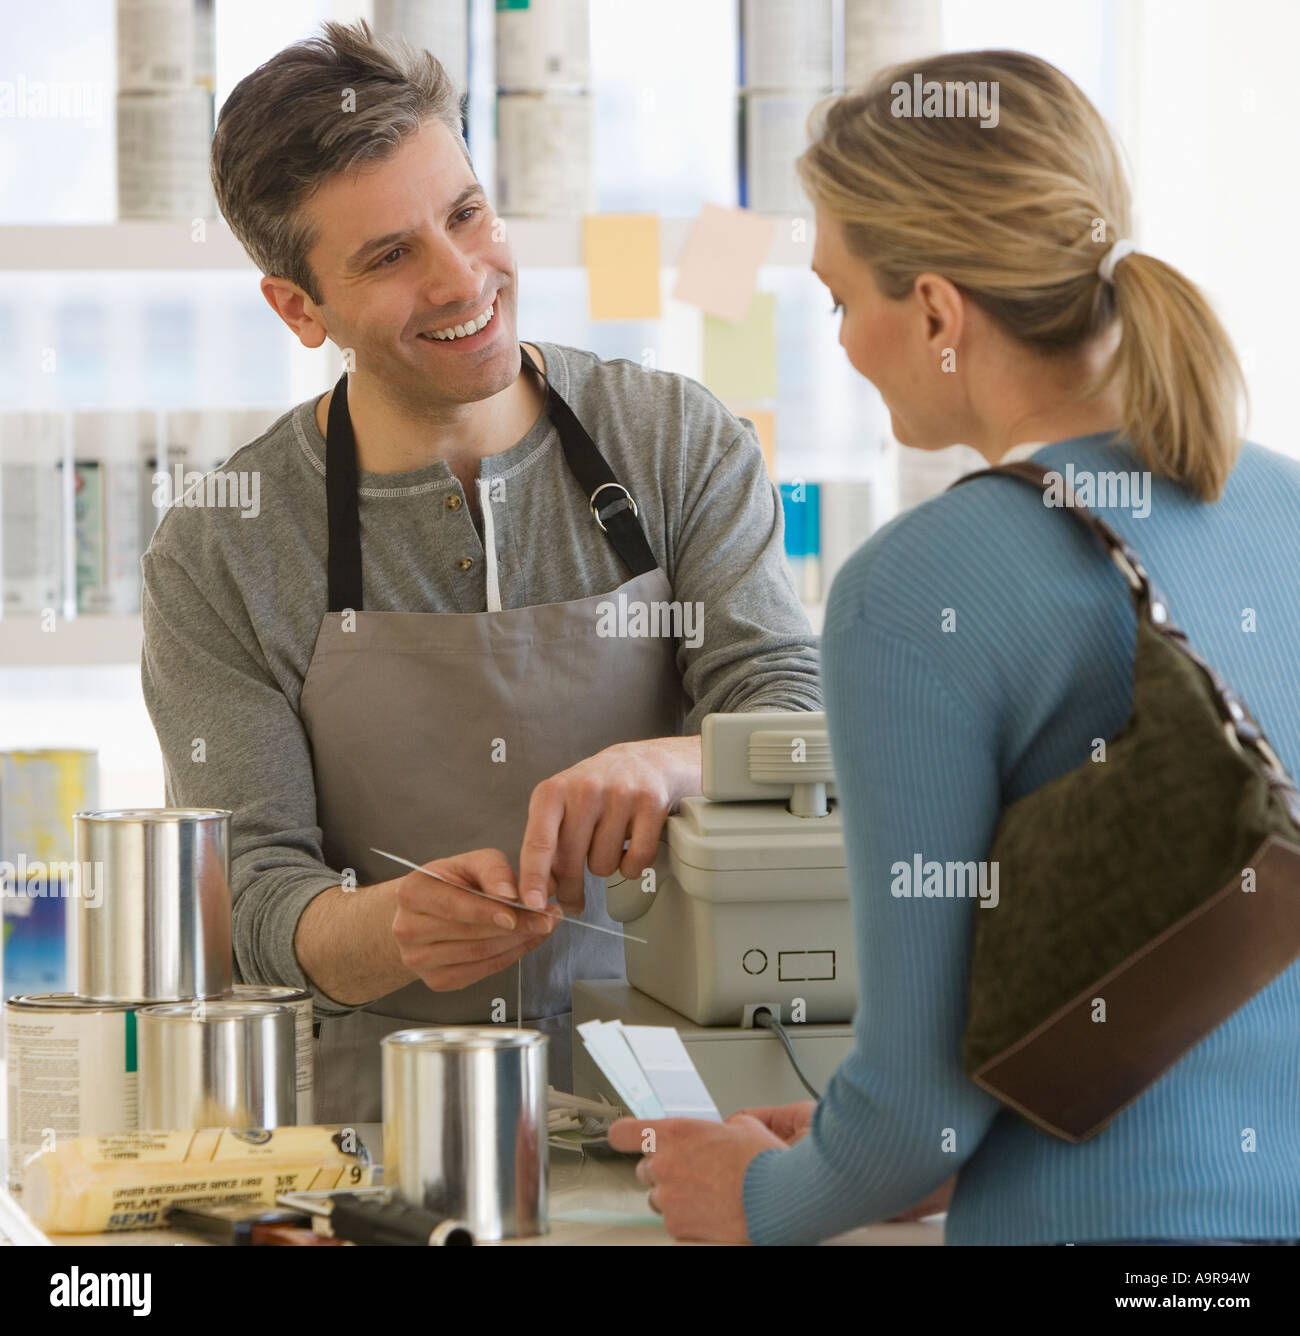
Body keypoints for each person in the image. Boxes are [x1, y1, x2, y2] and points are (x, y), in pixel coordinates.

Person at [610, 49, 1300, 1245]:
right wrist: (873, 1154)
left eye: (840, 301)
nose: (839, 341)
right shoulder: (1280, 504)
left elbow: (917, 1113)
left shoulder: (910, 588)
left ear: (934, 312)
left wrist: (756, 1194)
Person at [140, 20, 820, 1122]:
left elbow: (793, 712)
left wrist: (672, 762)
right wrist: (385, 928)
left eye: (465, 215)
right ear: (298, 308)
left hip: (678, 1103)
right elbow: (251, 895)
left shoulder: (676, 442)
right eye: (389, 257)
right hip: (385, 1133)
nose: (463, 280)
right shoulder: (222, 547)